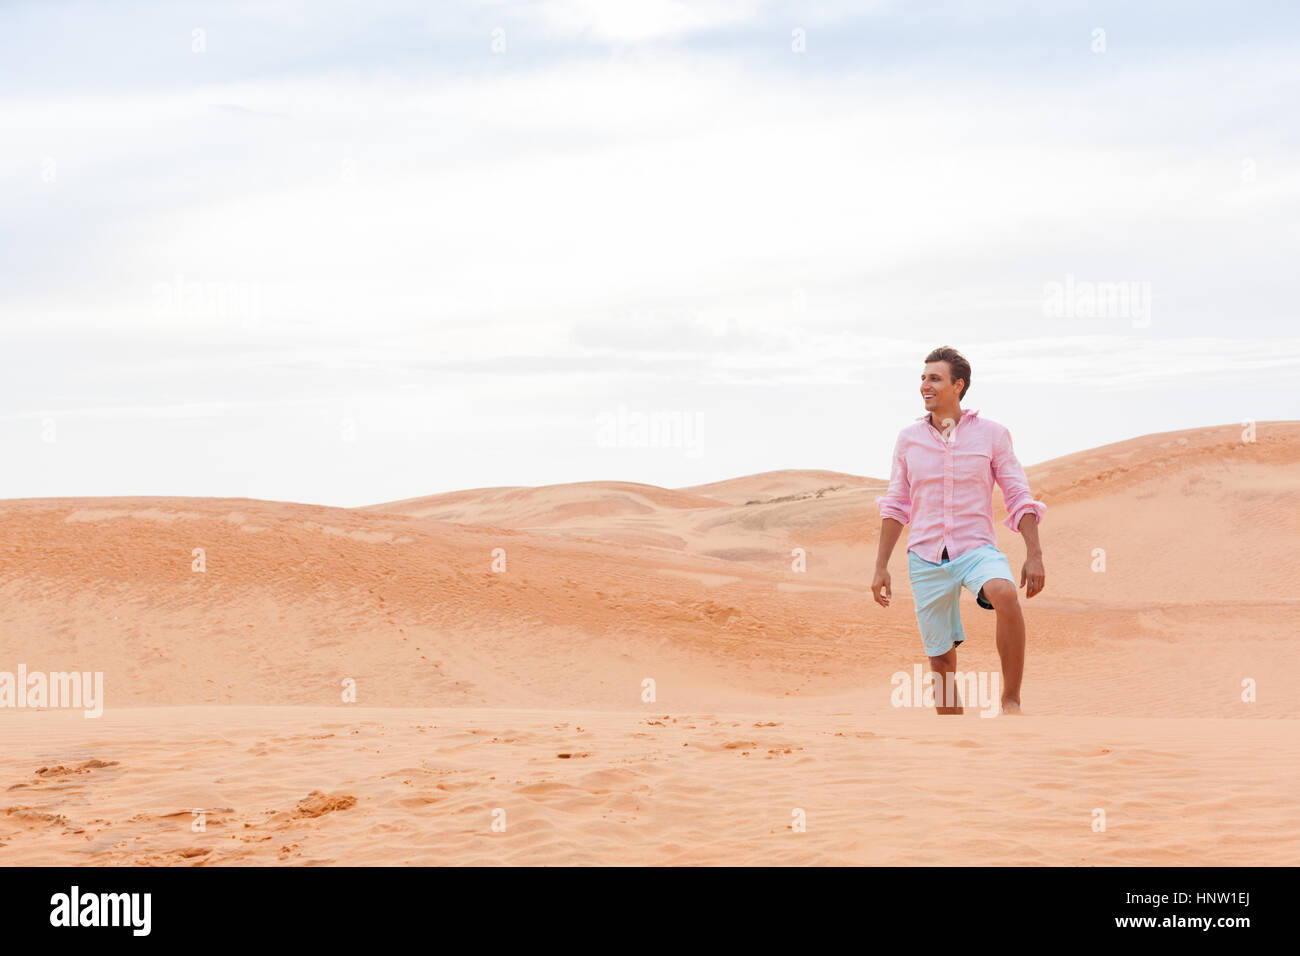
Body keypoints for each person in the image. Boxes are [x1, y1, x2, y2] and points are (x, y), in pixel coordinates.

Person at [871, 347, 1046, 715]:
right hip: (925, 556)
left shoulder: (993, 435)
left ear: (958, 385)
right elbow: (896, 504)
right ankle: (953, 744)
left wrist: (1034, 554)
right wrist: (881, 566)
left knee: (1005, 593)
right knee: (941, 663)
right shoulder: (908, 439)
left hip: (975, 548)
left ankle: (1010, 701)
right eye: (922, 378)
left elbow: (1017, 495)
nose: (924, 386)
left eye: (934, 378)